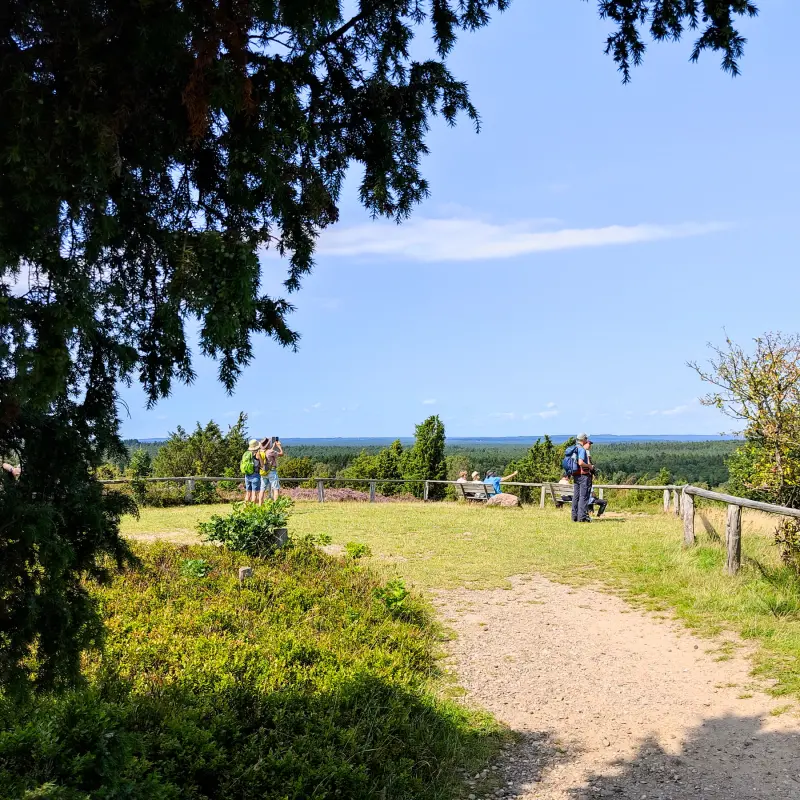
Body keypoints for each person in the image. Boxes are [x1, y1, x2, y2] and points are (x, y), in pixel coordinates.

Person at [571, 433, 595, 523]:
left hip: (576, 475)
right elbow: (580, 462)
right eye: (586, 438)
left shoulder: (574, 449)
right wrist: (589, 466)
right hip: (583, 475)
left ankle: (574, 516)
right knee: (583, 496)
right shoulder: (581, 449)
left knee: (576, 496)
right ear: (584, 439)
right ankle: (582, 517)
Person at [259, 436, 284, 503]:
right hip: (272, 472)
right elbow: (281, 454)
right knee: (276, 489)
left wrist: (273, 447)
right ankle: (276, 506)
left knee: (262, 489)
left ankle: (260, 505)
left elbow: (267, 454)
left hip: (263, 472)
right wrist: (279, 446)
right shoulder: (270, 451)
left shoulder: (260, 452)